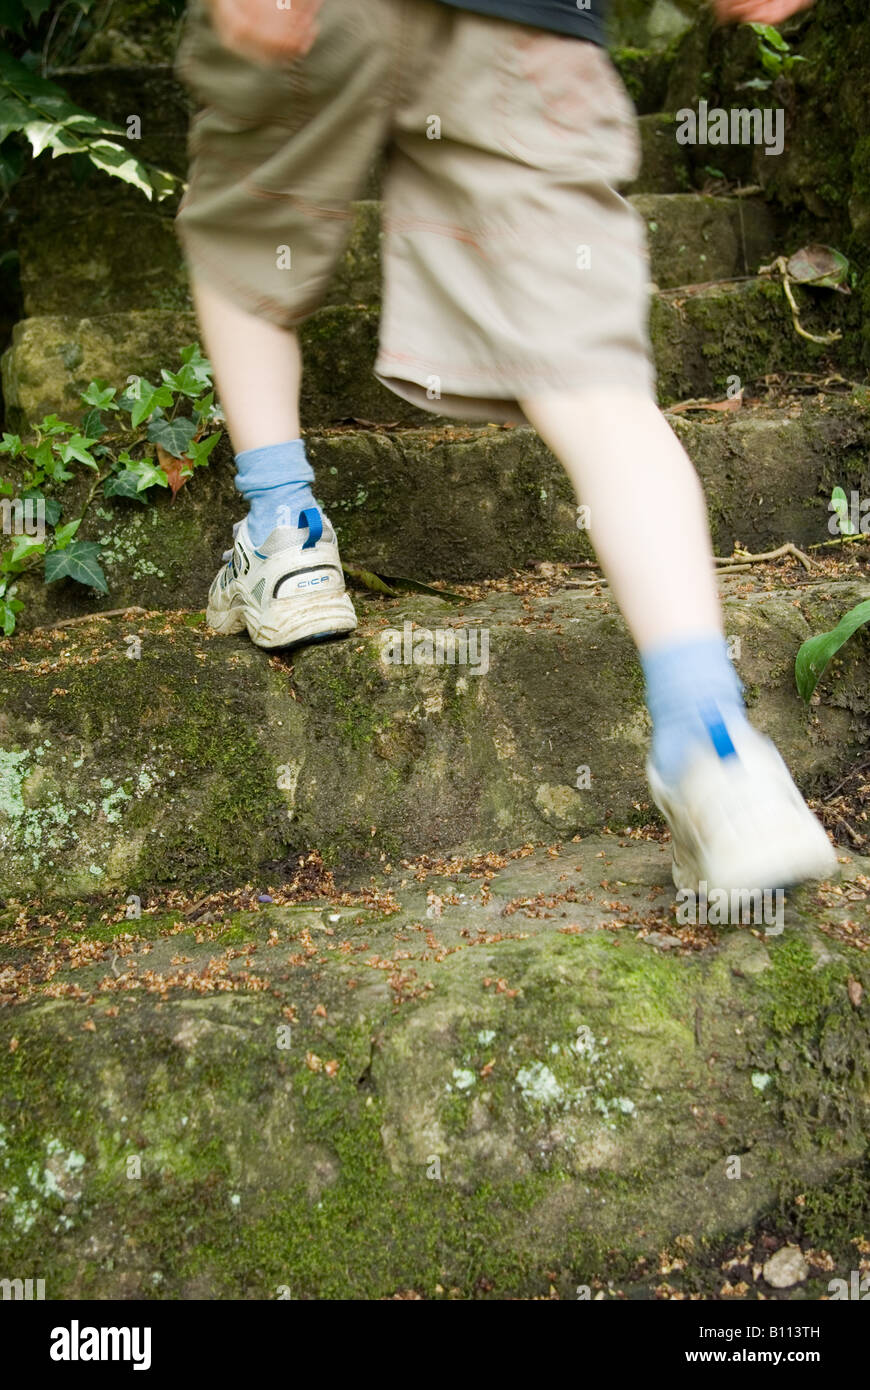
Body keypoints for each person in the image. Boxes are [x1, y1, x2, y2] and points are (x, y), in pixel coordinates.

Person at [173, 0, 835, 895]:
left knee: (251, 245)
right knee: (595, 383)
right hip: (533, 26)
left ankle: (286, 533)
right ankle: (715, 749)